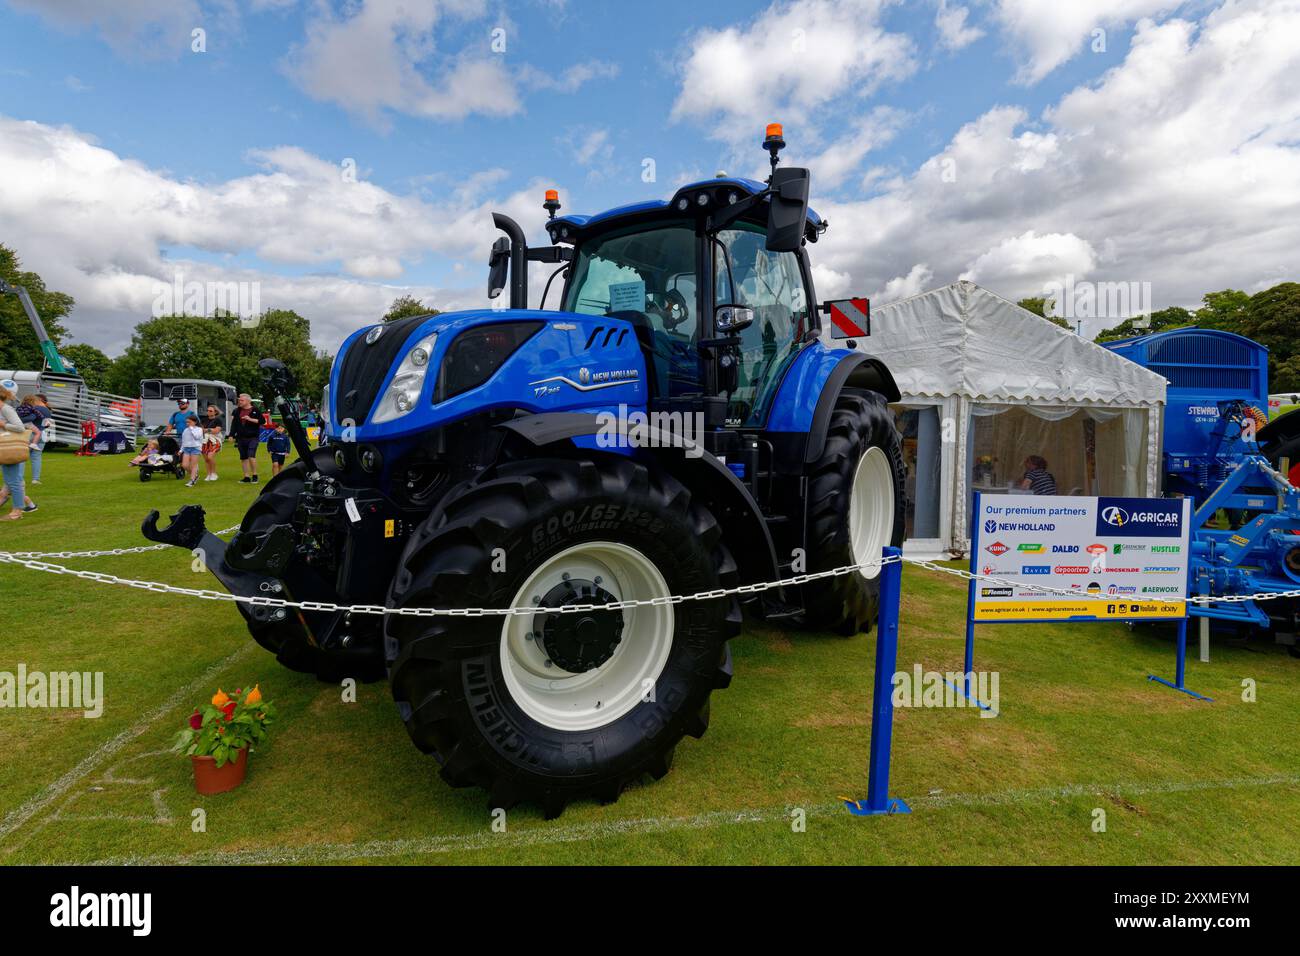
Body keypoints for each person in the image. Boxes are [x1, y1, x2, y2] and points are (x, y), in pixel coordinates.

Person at [0, 380, 37, 519]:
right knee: (11, 480)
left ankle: (17, 511)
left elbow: (20, 427)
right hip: (3, 448)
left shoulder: (6, 409)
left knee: (14, 480)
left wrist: (3, 424)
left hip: (9, 448)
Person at [17, 393, 52, 485]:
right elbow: (47, 424)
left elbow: (27, 419)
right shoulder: (47, 410)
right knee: (37, 457)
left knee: (22, 457)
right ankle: (35, 479)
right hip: (43, 434)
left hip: (30, 433)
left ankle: (20, 479)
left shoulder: (33, 408)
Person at [229, 393, 263, 483]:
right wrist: (231, 435)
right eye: (239, 400)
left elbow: (262, 421)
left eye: (242, 400)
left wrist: (250, 419)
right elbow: (234, 424)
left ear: (248, 401)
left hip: (253, 437)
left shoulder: (255, 410)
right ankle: (246, 477)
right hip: (241, 437)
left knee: (251, 455)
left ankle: (255, 475)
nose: (239, 402)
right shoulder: (237, 411)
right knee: (243, 458)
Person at [200, 403, 224, 481]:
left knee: (210, 457)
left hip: (214, 440)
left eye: (210, 411)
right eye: (207, 410)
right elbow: (201, 430)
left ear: (215, 412)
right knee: (206, 459)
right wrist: (208, 430)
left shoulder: (218, 420)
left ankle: (214, 473)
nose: (208, 412)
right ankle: (208, 474)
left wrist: (207, 430)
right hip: (204, 440)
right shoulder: (204, 420)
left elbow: (217, 431)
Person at [181, 414, 204, 487]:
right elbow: (184, 441)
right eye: (187, 422)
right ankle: (195, 475)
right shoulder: (185, 430)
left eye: (189, 422)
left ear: (195, 422)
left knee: (193, 465)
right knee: (184, 465)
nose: (187, 424)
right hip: (186, 448)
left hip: (195, 448)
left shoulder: (199, 429)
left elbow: (197, 437)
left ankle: (192, 480)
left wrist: (192, 429)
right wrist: (181, 450)